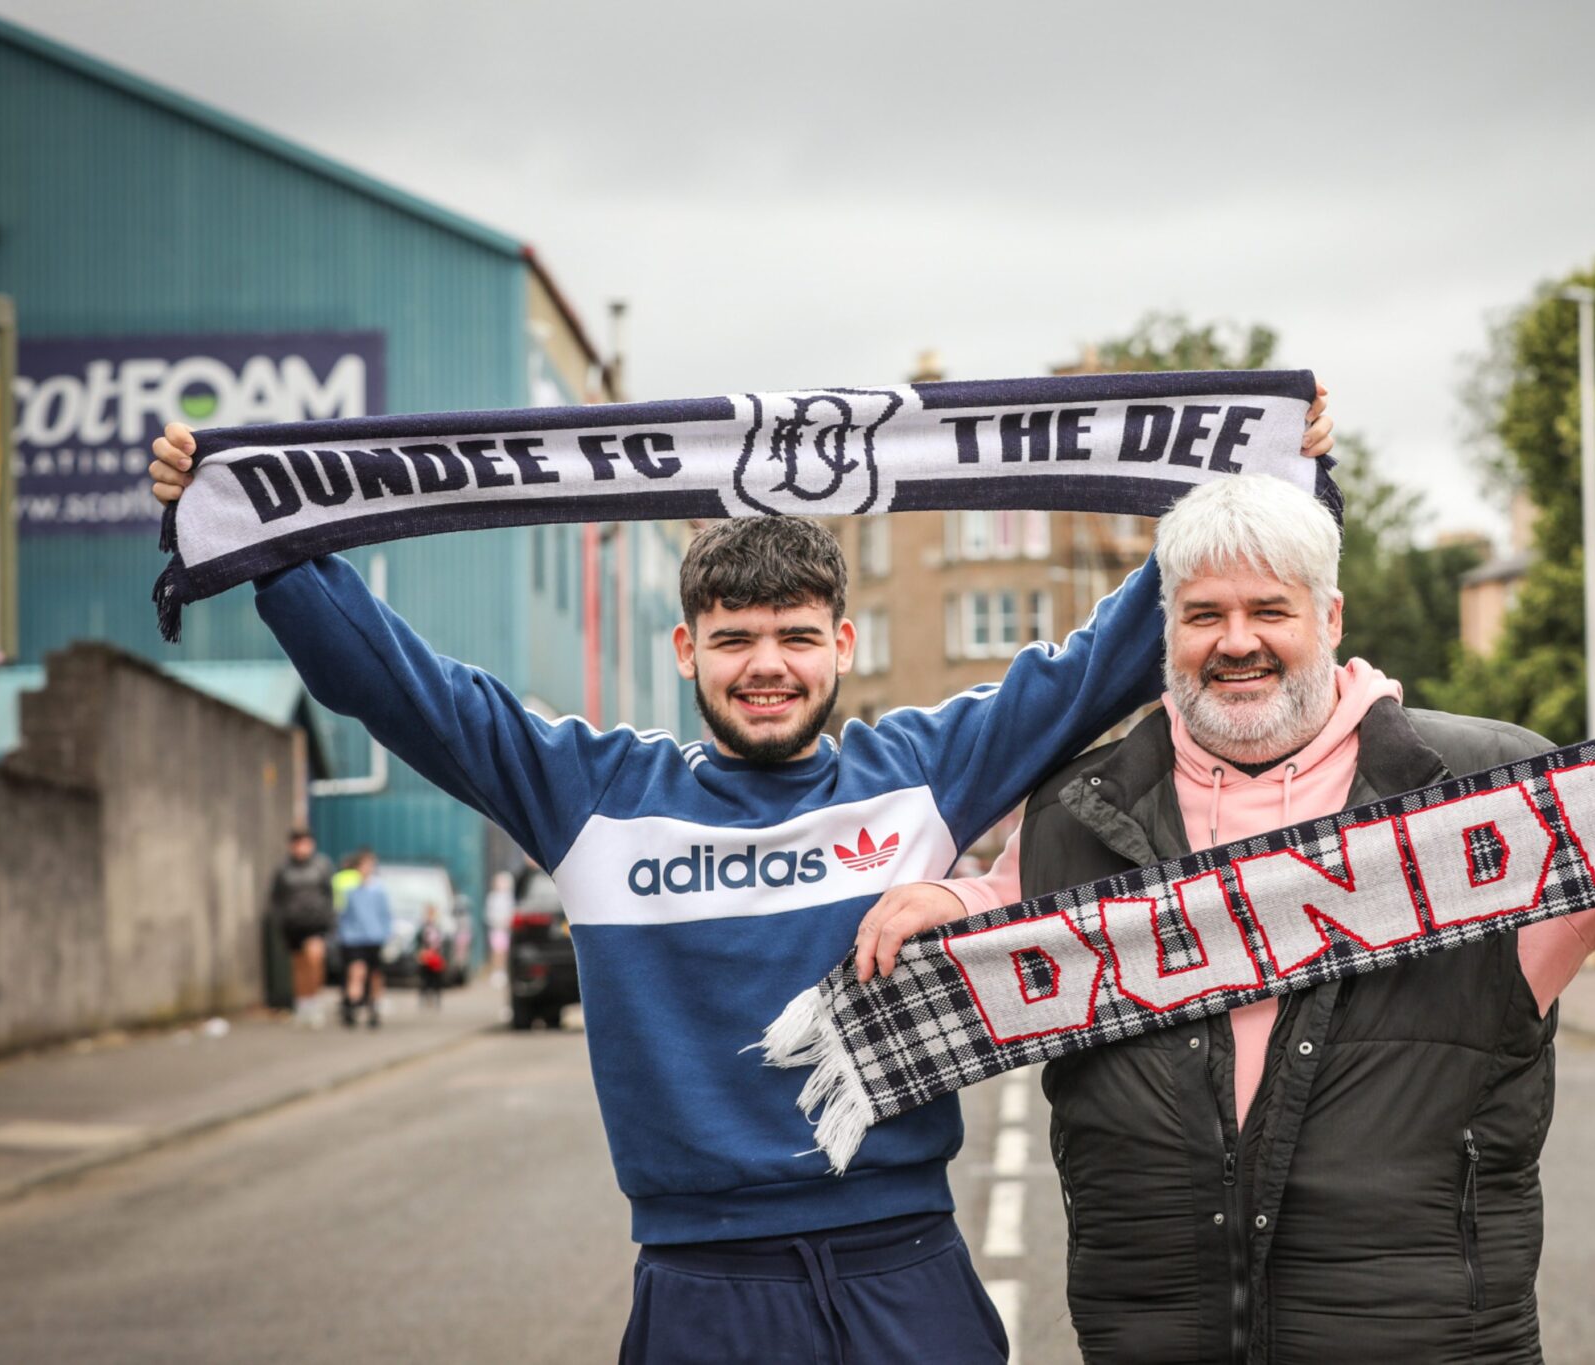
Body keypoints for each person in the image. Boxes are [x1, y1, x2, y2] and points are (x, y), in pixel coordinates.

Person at [151, 396, 1333, 1363]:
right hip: (699, 1290)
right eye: (731, 639)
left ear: (841, 645)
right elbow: (396, 687)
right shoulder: (586, 793)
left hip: (905, 1271)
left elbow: (1108, 658)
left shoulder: (921, 770)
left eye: (794, 636)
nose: (765, 666)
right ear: (687, 652)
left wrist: (1269, 477)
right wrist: (251, 524)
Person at [858, 474, 1595, 1364]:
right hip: (1153, 1334)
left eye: (1268, 611)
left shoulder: (1485, 789)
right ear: (1165, 634)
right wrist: (945, 902)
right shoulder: (1077, 813)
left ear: (1329, 619)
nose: (1235, 644)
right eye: (1202, 615)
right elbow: (1001, 924)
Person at [266, 827, 335, 1027]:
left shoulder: (322, 865)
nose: (302, 848)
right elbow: (276, 898)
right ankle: (303, 1004)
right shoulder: (283, 869)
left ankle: (314, 1001)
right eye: (298, 844)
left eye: (305, 843)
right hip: (293, 924)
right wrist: (281, 920)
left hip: (316, 922)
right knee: (299, 966)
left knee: (315, 960)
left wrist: (330, 920)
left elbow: (330, 895)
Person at [335, 849, 393, 1029]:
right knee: (356, 971)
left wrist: (386, 933)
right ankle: (353, 1005)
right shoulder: (349, 889)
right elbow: (342, 914)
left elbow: (385, 914)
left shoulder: (379, 890)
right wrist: (343, 933)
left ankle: (373, 1006)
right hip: (354, 938)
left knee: (375, 974)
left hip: (374, 937)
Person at [415, 904, 449, 1009]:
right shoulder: (422, 928)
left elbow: (443, 944)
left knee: (436, 980)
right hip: (426, 957)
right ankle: (423, 999)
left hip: (436, 957)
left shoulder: (438, 928)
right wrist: (421, 953)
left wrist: (441, 957)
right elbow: (418, 942)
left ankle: (437, 999)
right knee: (424, 980)